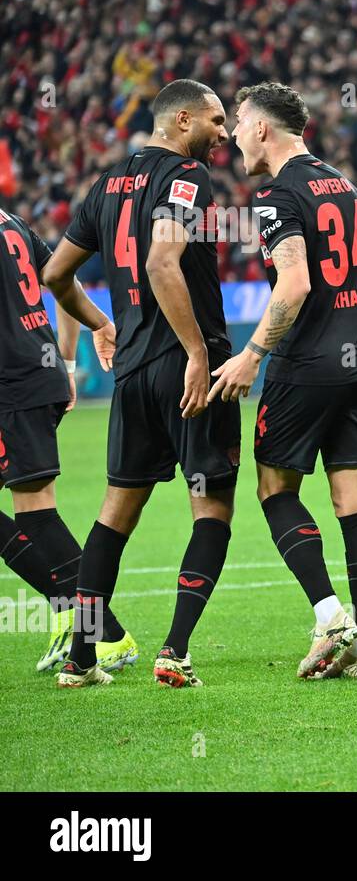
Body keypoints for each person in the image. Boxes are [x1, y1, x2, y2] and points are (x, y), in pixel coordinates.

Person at [43, 78, 238, 688]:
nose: (224, 132)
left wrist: (103, 325)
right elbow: (161, 261)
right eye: (214, 120)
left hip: (131, 375)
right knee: (212, 509)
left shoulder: (105, 185)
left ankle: (81, 657)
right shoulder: (188, 179)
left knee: (114, 514)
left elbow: (56, 274)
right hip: (185, 369)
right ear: (181, 121)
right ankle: (173, 652)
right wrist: (197, 352)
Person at [214, 81, 357, 680]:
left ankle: (328, 615)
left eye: (239, 121)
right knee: (356, 500)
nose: (234, 132)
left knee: (276, 489)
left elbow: (293, 286)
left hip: (307, 368)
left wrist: (252, 354)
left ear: (263, 128)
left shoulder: (275, 196)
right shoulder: (345, 184)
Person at [0, 205, 121, 672]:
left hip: (14, 386)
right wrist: (67, 363)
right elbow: (60, 276)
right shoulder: (10, 220)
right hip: (36, 375)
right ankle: (79, 616)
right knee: (35, 515)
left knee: (36, 516)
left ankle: (102, 631)